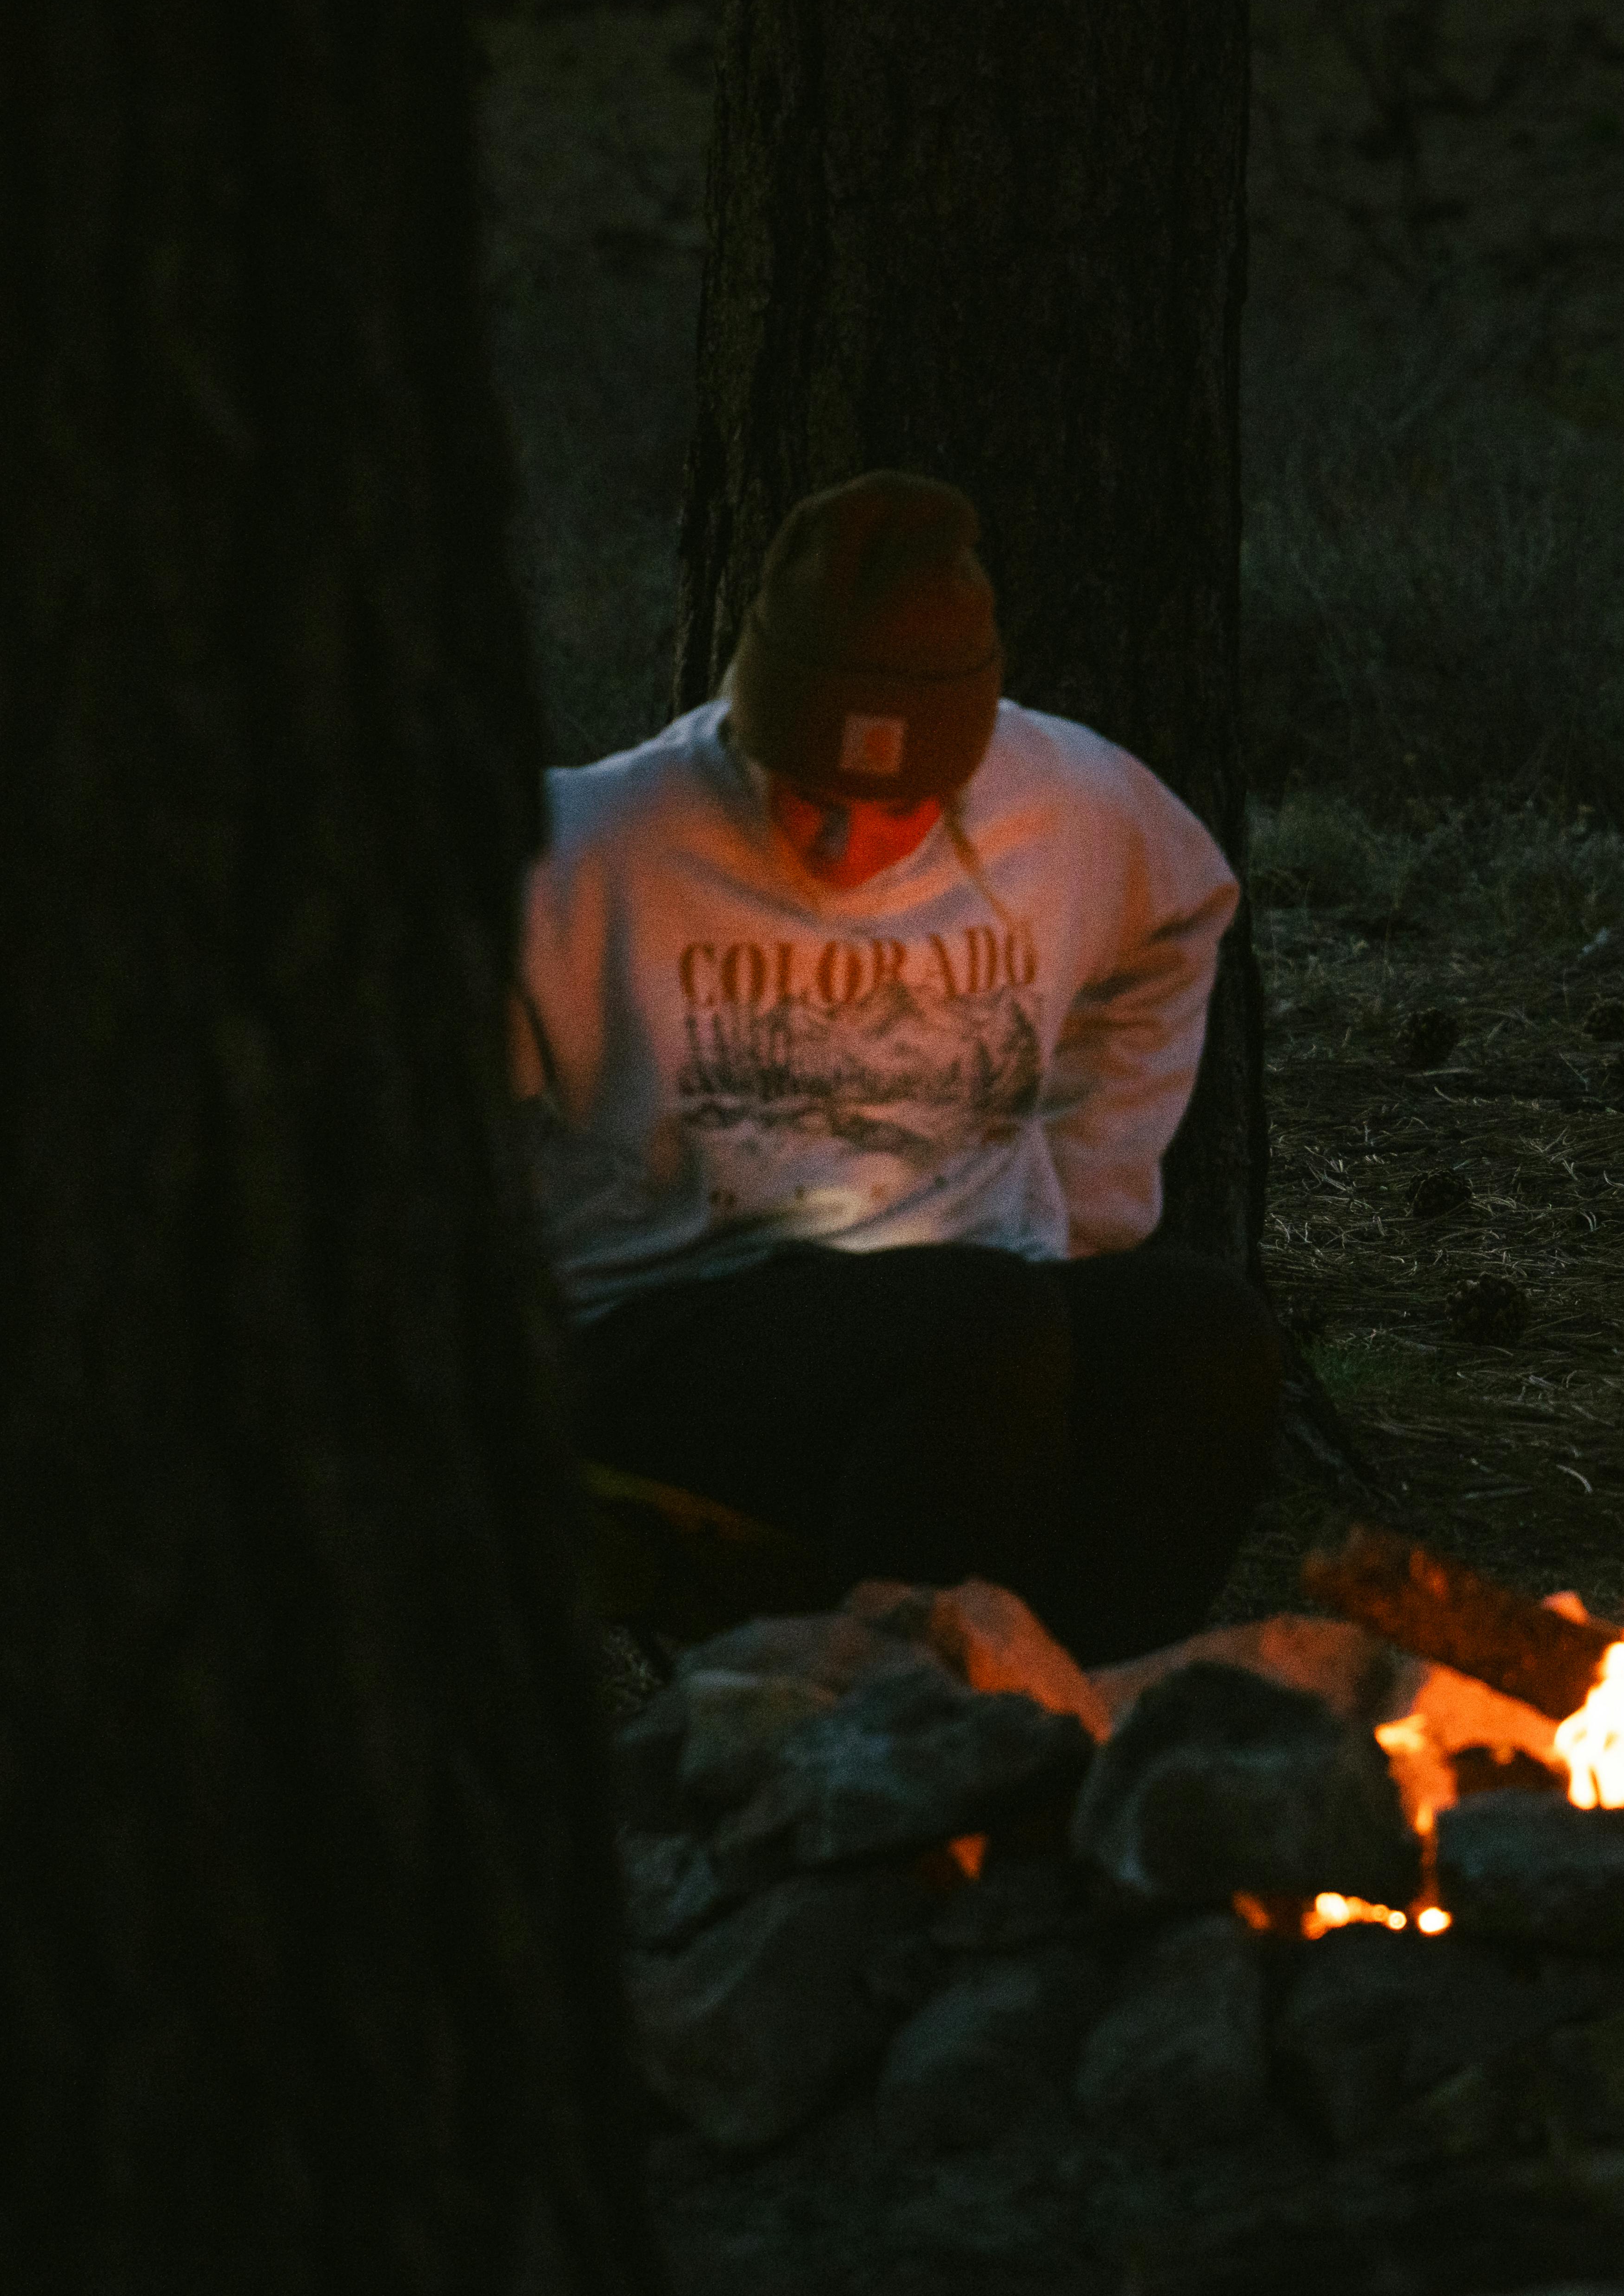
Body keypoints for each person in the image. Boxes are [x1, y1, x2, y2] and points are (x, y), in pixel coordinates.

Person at [517, 471, 1277, 1661]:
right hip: (658, 1324)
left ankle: (1064, 1721)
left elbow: (1178, 921)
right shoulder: (592, 851)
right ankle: (873, 1748)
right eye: (809, 794)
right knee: (978, 1327)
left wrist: (1089, 1197)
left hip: (973, 1305)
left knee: (1203, 1334)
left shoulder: (1069, 806)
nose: (844, 842)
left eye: (897, 808)